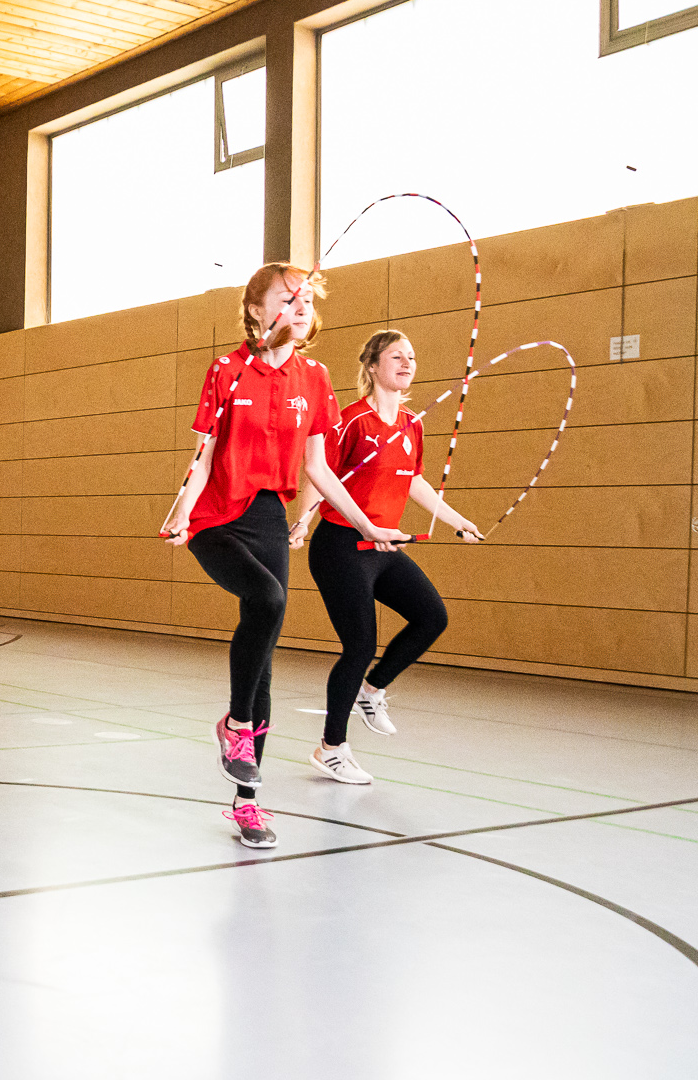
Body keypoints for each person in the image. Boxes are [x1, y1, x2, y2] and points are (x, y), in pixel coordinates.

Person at [160, 263, 407, 848]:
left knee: (265, 655)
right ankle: (235, 725)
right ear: (254, 310)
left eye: (305, 299)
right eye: (285, 297)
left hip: (269, 517)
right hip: (217, 518)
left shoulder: (314, 378)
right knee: (266, 598)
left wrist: (368, 522)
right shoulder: (225, 370)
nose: (299, 305)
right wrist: (179, 508)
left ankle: (248, 804)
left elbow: (320, 468)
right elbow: (204, 455)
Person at [289, 329, 480, 784]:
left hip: (386, 546)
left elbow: (414, 483)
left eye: (411, 356)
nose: (407, 362)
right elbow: (320, 474)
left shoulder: (413, 424)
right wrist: (303, 522)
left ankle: (372, 691)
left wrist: (456, 519)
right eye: (397, 356)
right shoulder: (351, 420)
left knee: (431, 616)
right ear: (372, 366)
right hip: (341, 546)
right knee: (359, 645)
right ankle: (330, 748)